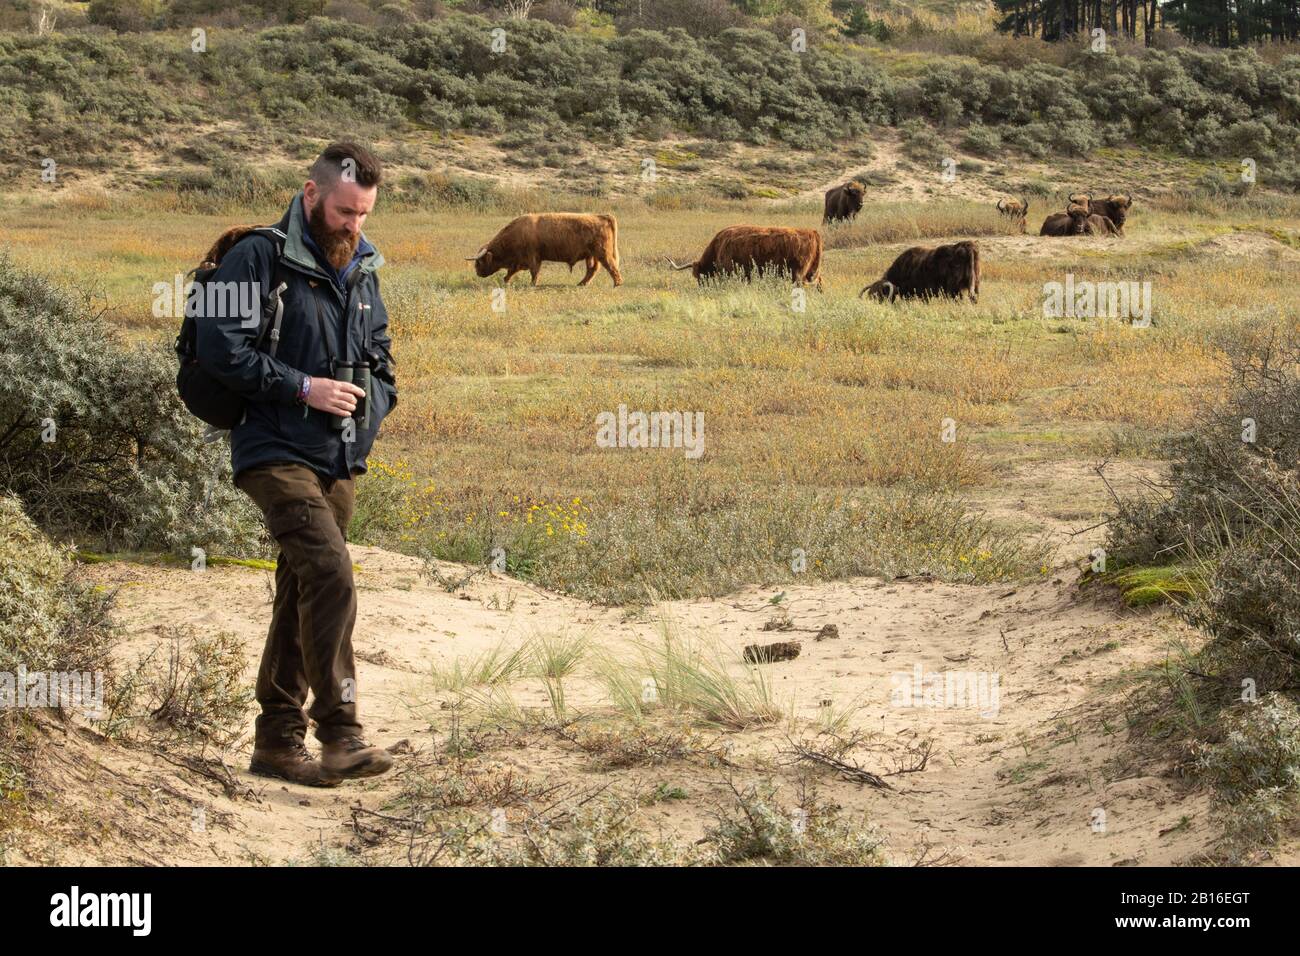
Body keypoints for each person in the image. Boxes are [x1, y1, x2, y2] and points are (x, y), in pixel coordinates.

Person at [196, 142, 397, 786]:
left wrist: (370, 407)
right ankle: (341, 732)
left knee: (302, 589)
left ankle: (276, 742)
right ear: (310, 194)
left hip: (337, 456)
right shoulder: (255, 256)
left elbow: (383, 361)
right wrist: (302, 387)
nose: (353, 226)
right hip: (271, 448)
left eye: (364, 214)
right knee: (332, 573)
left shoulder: (363, 268)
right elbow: (220, 349)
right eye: (344, 211)